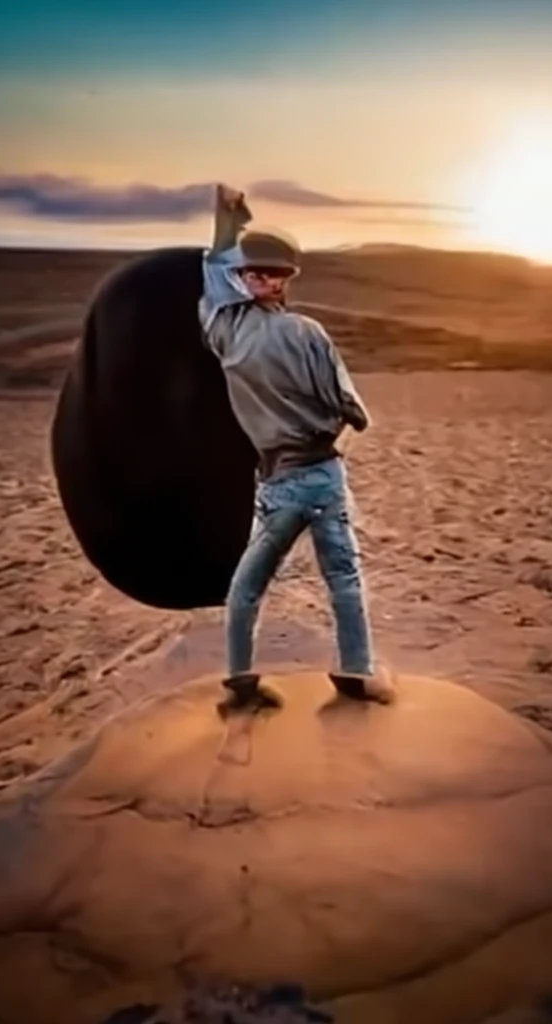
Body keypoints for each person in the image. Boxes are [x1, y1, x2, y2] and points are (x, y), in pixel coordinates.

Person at [199, 184, 395, 708]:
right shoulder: (308, 332)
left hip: (274, 481)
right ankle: (356, 672)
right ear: (286, 280)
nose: (263, 279)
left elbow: (214, 267)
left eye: (266, 272)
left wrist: (226, 221)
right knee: (344, 578)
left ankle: (240, 679)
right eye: (260, 273)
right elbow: (352, 409)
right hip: (320, 474)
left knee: (247, 583)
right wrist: (334, 418)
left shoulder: (224, 330)